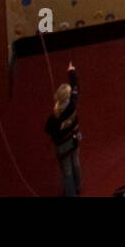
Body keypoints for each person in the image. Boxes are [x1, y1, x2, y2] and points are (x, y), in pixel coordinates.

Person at [45, 62, 81, 196]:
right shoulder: (72, 104)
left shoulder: (54, 118)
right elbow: (75, 87)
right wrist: (72, 72)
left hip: (63, 144)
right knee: (76, 161)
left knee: (66, 169)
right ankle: (77, 186)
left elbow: (49, 130)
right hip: (75, 137)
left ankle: (70, 193)